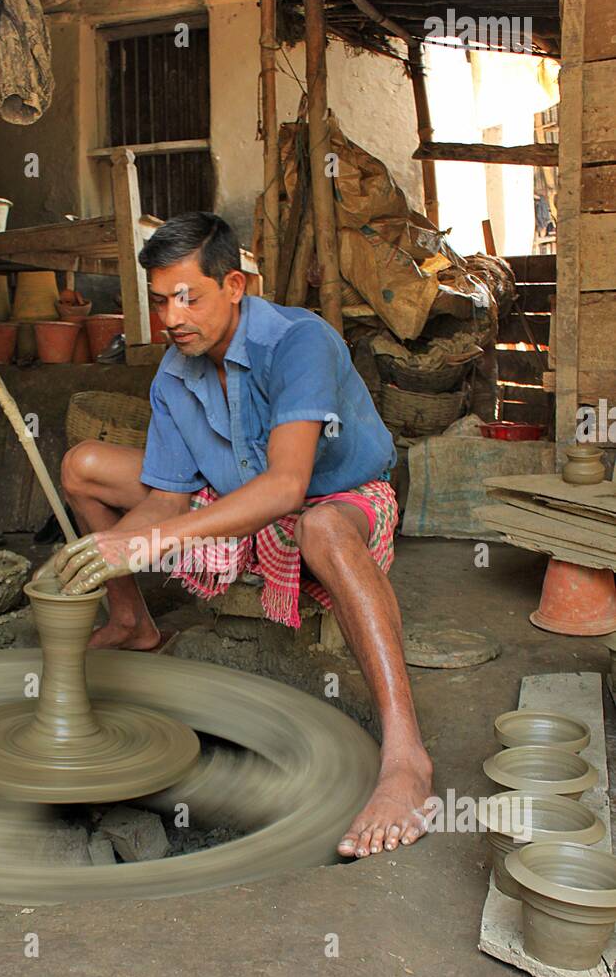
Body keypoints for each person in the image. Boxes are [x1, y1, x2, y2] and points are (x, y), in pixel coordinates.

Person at [52, 212, 433, 858]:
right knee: (82, 466)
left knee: (319, 529)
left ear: (235, 284)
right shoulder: (174, 373)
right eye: (159, 301)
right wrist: (106, 555)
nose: (171, 318)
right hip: (226, 494)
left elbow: (287, 487)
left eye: (187, 297)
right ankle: (134, 624)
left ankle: (406, 757)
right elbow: (168, 498)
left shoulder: (298, 343)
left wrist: (151, 543)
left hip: (334, 497)